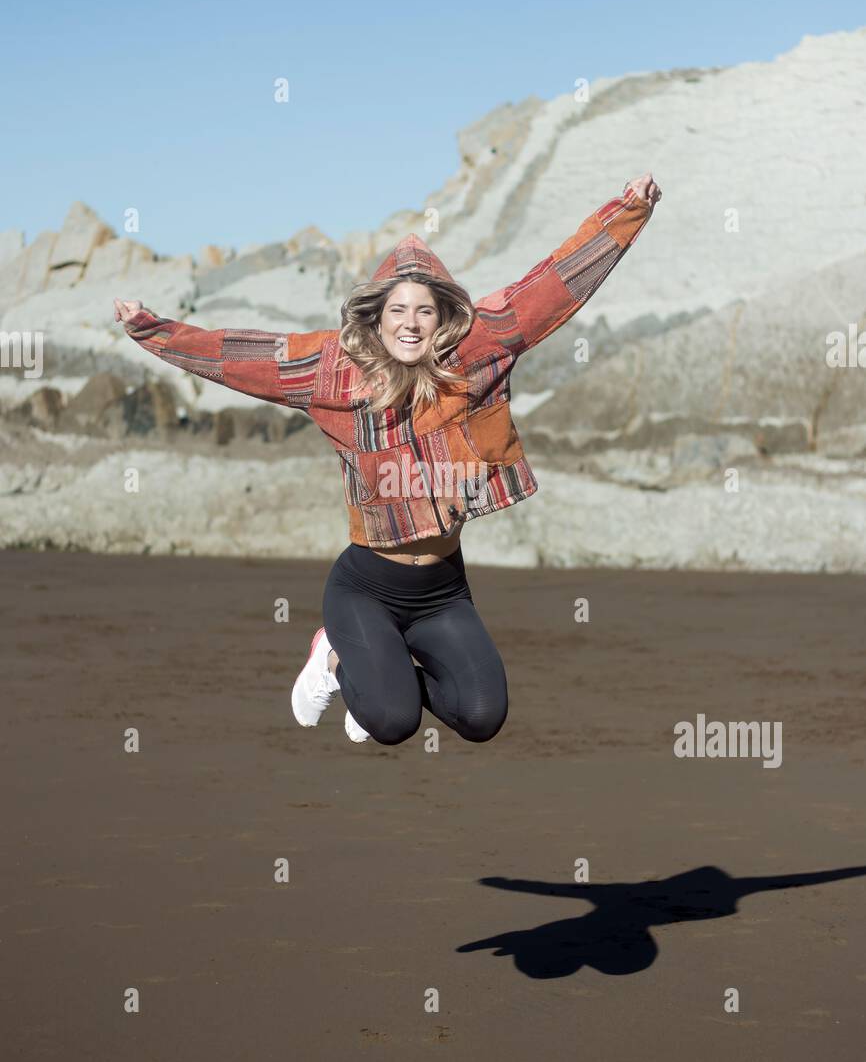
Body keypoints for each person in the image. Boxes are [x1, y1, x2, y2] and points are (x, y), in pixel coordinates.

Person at [115, 174, 661, 746]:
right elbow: (241, 357)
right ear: (377, 317)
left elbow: (551, 287)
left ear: (443, 317)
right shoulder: (332, 371)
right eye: (397, 309)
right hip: (366, 588)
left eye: (424, 311)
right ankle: (333, 656)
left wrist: (629, 213)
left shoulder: (478, 352)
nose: (410, 322)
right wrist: (152, 331)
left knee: (481, 717)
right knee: (393, 723)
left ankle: (385, 676)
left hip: (443, 591)